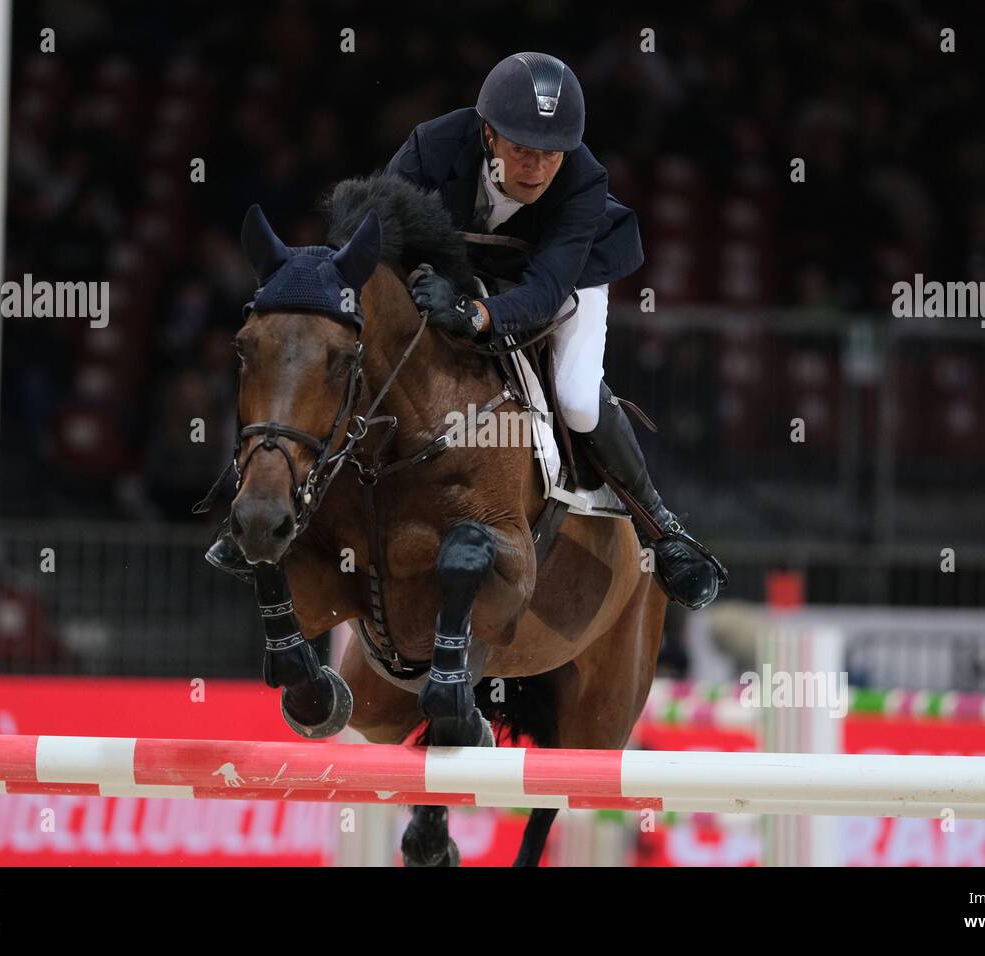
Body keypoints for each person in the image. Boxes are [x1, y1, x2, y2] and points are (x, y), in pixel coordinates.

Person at [207, 52, 723, 609]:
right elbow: (375, 250)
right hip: (460, 272)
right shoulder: (432, 147)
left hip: (559, 278)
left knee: (575, 397)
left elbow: (545, 291)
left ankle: (662, 528)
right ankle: (277, 499)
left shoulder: (582, 183)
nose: (536, 169)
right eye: (522, 150)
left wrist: (476, 314)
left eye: (550, 155)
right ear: (487, 135)